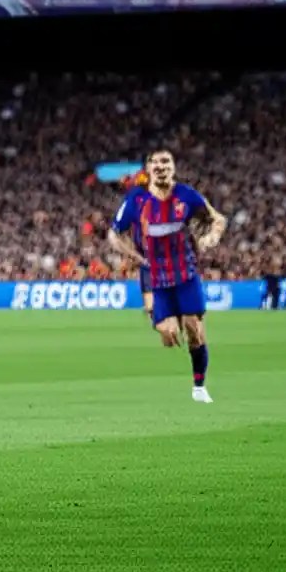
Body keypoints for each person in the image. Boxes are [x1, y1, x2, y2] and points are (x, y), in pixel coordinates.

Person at [108, 148, 227, 403]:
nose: (161, 166)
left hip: (186, 273)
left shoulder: (187, 195)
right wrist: (136, 257)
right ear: (148, 169)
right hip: (155, 275)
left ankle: (199, 386)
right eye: (155, 162)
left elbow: (218, 219)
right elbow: (113, 234)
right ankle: (160, 317)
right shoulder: (136, 201)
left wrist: (211, 237)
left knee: (194, 328)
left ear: (173, 167)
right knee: (168, 334)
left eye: (166, 161)